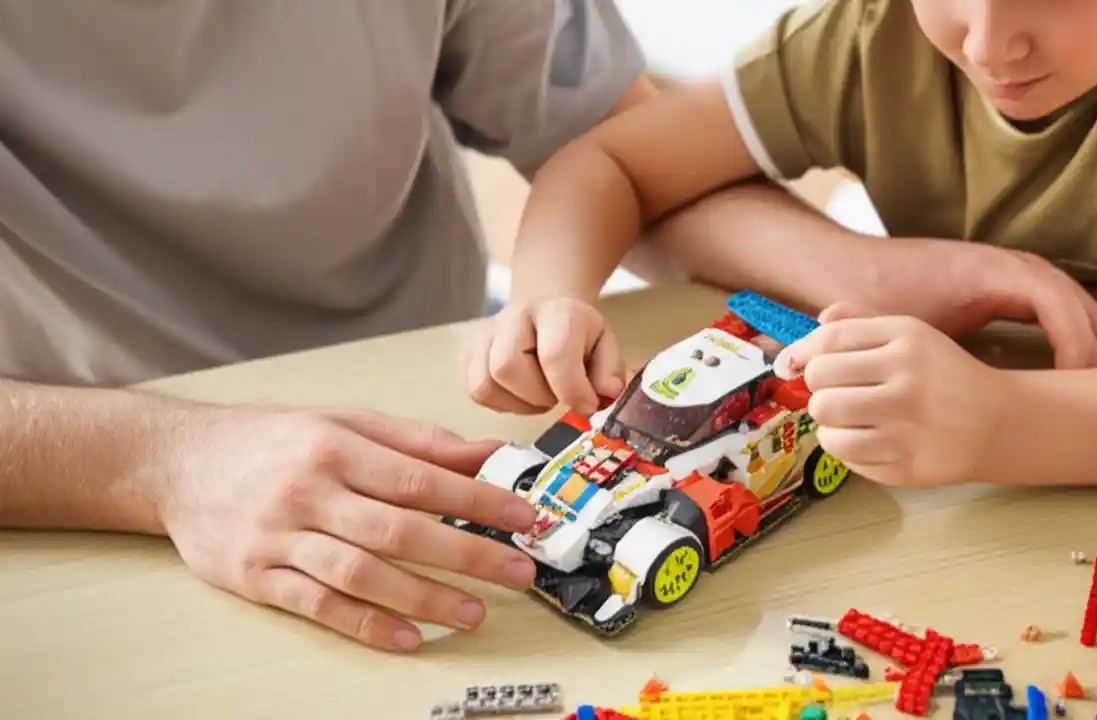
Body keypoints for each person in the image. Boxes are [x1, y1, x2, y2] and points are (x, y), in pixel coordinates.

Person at [3, 1, 709, 654]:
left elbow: (629, 152)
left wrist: (551, 291)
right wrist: (165, 463)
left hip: (443, 406)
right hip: (85, 472)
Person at [466, 0, 1097, 489]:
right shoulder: (870, 30)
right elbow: (606, 161)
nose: (990, 44)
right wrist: (547, 296)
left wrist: (1006, 421)